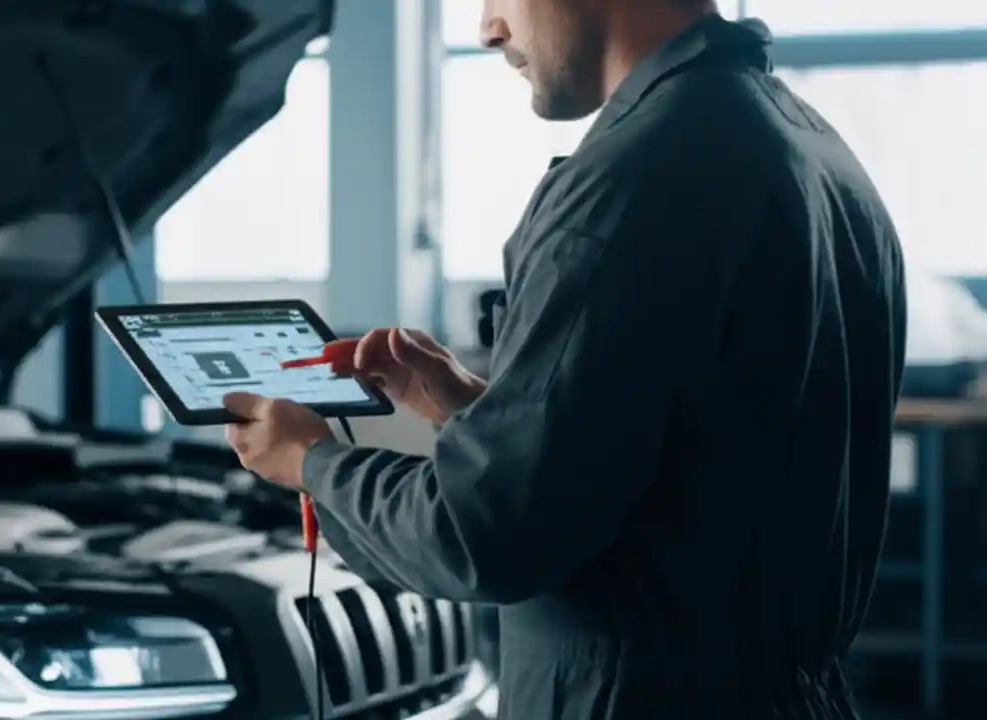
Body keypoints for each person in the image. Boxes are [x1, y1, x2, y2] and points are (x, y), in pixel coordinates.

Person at [221, 0, 907, 717]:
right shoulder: (814, 150)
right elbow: (679, 462)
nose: (488, 29)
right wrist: (476, 409)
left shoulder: (629, 181)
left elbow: (486, 535)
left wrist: (312, 464)